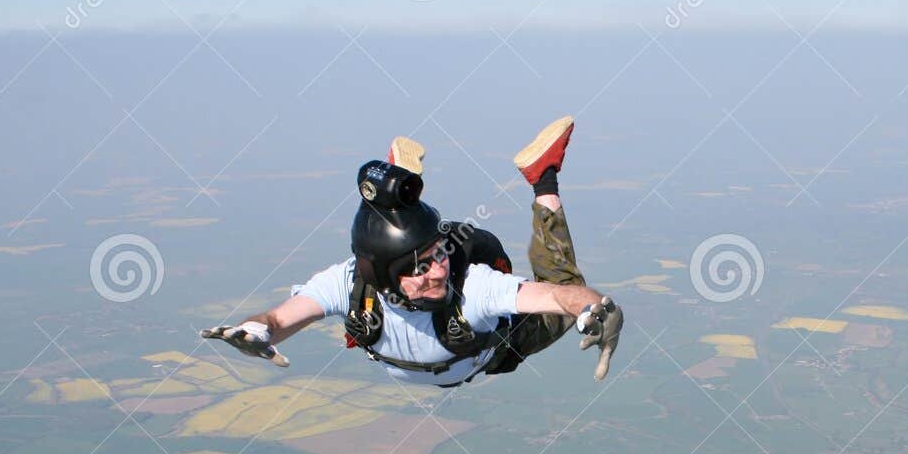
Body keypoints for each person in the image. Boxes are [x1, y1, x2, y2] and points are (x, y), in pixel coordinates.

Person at [201, 116, 623, 386]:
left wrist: (593, 310)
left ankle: (543, 177)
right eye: (420, 268)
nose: (439, 272)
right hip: (454, 359)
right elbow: (275, 320)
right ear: (383, 276)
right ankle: (398, 187)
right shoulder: (348, 285)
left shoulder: (473, 290)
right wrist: (254, 332)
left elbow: (557, 296)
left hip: (497, 350)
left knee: (566, 280)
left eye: (440, 254)